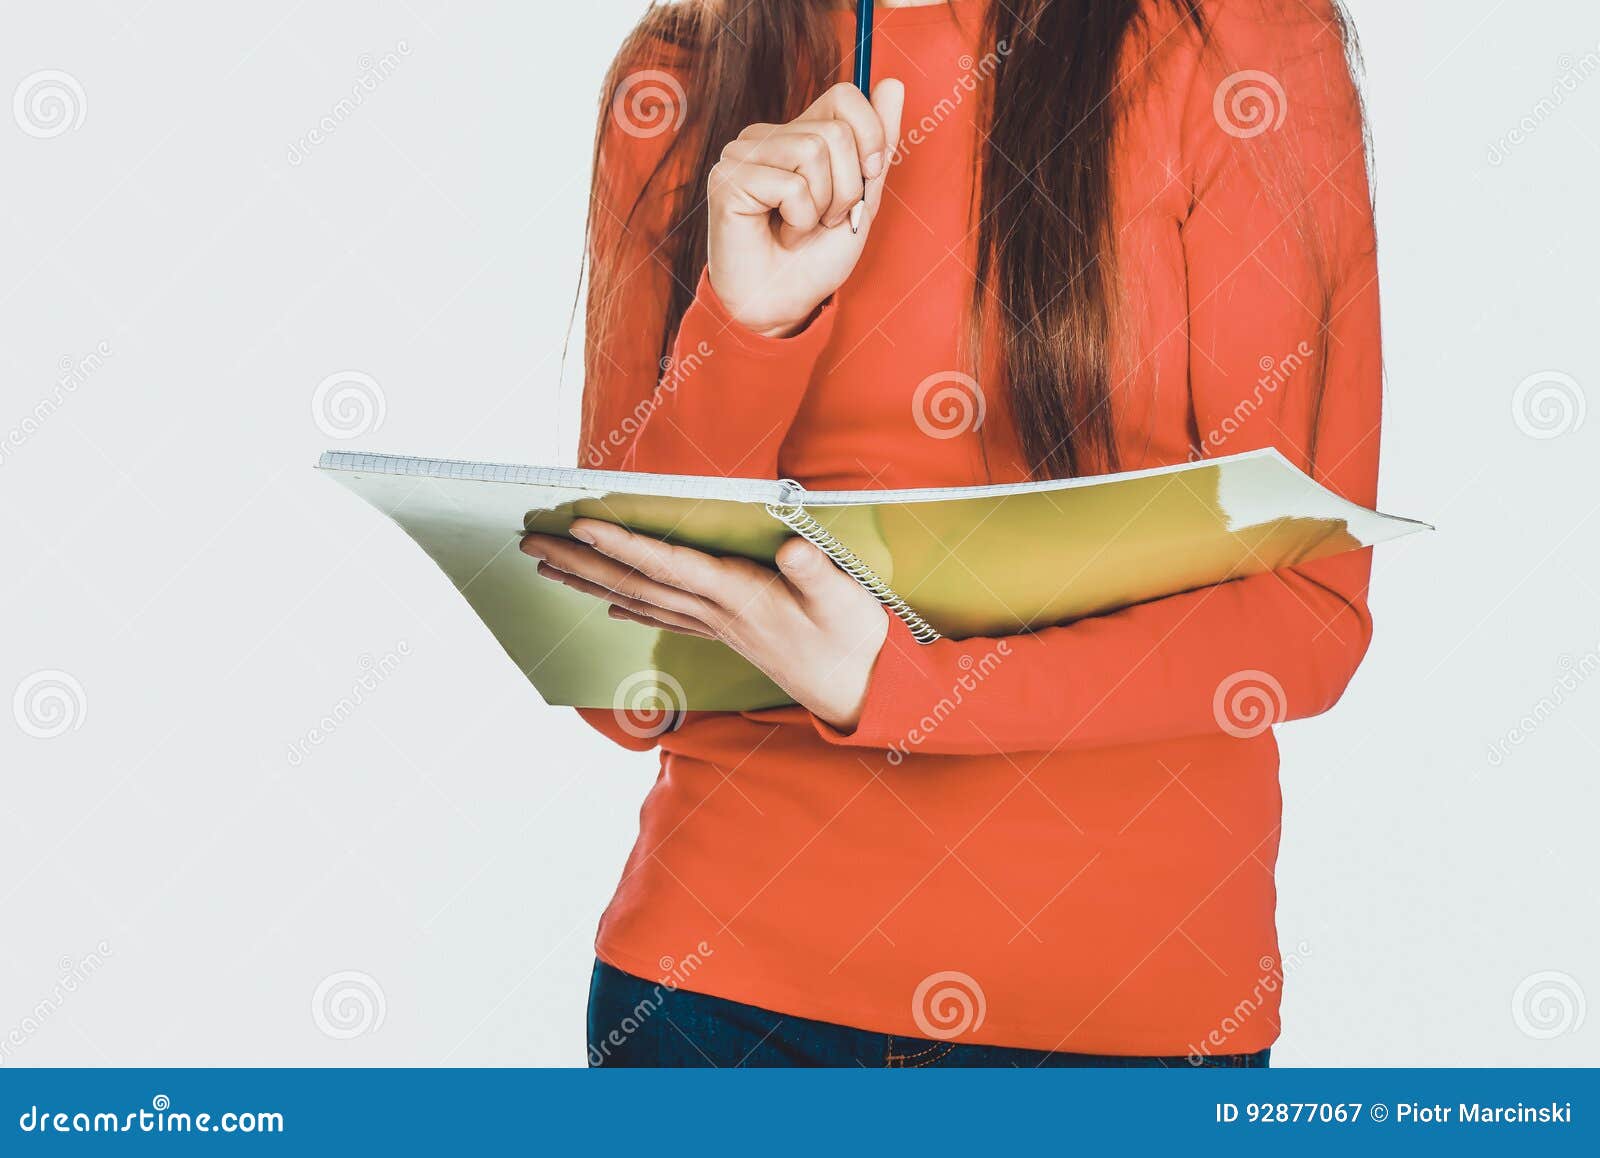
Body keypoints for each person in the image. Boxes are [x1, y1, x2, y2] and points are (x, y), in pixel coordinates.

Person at [520, 0, 1380, 1067]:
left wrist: (895, 687)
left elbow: (1304, 618)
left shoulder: (1242, 44)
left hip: (1126, 1036)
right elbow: (626, 684)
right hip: (714, 1008)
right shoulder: (686, 68)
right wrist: (748, 328)